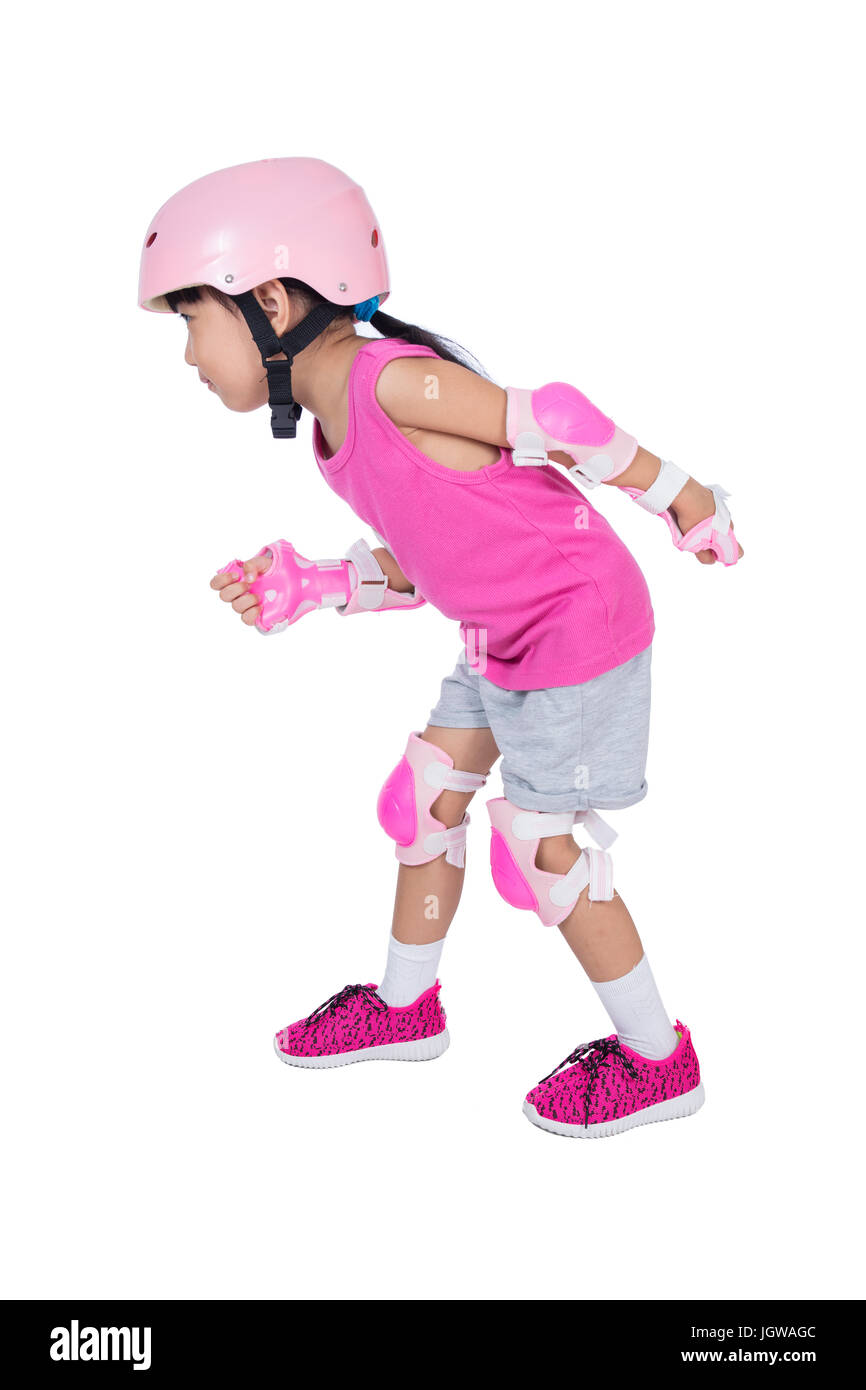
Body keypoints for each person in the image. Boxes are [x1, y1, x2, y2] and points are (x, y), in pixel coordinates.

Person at [138, 157, 743, 1140]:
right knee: (418, 800)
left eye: (189, 317)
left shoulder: (391, 384)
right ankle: (405, 1008)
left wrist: (680, 496)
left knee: (543, 857)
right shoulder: (336, 431)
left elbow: (554, 419)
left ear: (273, 302)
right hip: (499, 630)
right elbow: (435, 561)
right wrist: (318, 585)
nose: (188, 353)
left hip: (574, 625)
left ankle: (657, 1060)